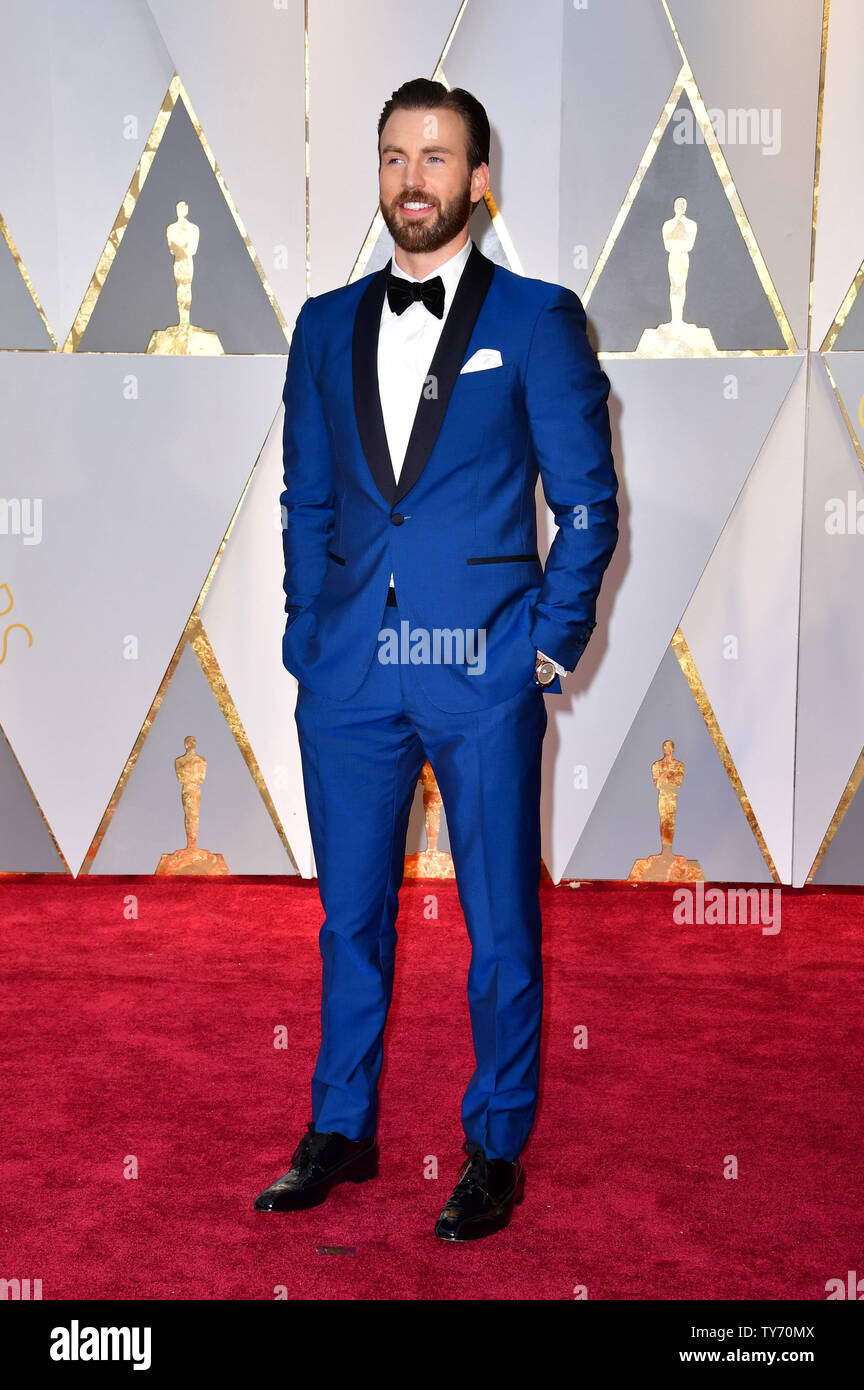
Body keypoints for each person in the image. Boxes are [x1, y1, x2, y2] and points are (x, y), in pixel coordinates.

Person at [254, 77, 619, 1241]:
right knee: (346, 919)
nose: (415, 178)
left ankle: (495, 1142)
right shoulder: (323, 323)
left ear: (478, 179)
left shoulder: (537, 320)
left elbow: (589, 504)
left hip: (483, 673)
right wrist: (307, 632)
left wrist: (546, 649)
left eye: (438, 157)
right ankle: (341, 1127)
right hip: (349, 677)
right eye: (396, 156)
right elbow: (308, 491)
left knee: (500, 923)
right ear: (381, 175)